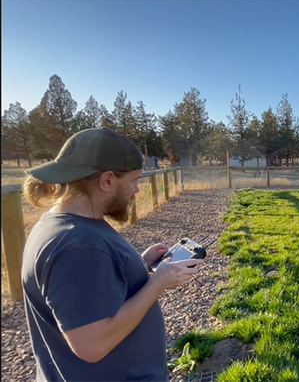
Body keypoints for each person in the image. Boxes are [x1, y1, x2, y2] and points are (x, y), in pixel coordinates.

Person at [21, 128, 202, 381]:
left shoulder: (63, 225)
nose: (136, 190)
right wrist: (157, 284)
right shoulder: (78, 245)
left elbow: (92, 286)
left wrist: (139, 265)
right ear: (107, 180)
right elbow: (92, 345)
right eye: (134, 181)